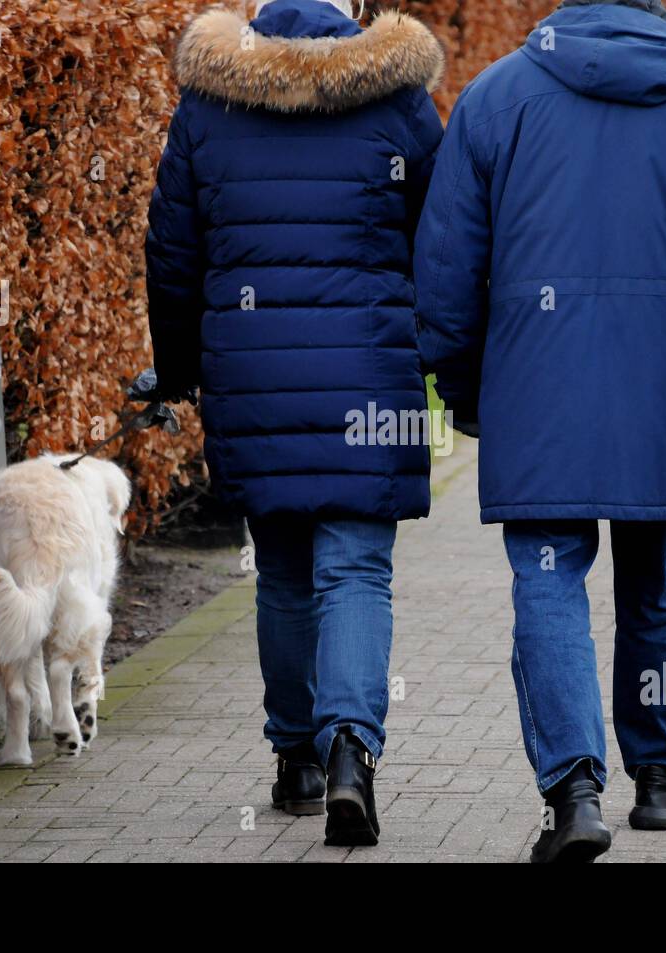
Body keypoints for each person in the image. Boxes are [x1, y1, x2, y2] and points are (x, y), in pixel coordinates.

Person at [414, 0, 666, 863]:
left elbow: (445, 266)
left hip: (535, 390)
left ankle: (573, 794)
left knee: (546, 581)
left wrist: (462, 382)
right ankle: (662, 780)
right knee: (655, 581)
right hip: (662, 391)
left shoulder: (497, 97)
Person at [145, 0, 444, 846]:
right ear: (353, 12)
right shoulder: (397, 98)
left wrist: (178, 370)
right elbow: (448, 233)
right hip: (372, 377)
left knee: (280, 574)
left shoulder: (211, 101)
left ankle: (297, 762)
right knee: (355, 570)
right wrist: (442, 351)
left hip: (253, 377)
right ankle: (351, 748)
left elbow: (170, 250)